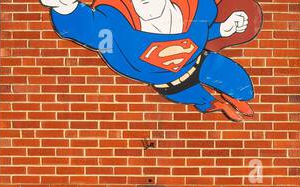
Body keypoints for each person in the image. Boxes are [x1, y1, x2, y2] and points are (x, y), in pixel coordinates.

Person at [40, 0, 262, 122]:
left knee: (237, 80)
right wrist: (66, 8)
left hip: (200, 62)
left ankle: (237, 97)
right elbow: (92, 29)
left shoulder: (195, 8)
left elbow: (201, 30)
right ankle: (219, 104)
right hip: (172, 86)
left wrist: (223, 29)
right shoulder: (115, 25)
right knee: (202, 99)